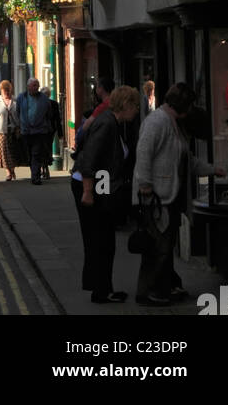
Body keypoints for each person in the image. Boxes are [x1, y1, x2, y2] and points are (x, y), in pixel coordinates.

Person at [132, 81, 225, 306]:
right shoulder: (158, 121)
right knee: (158, 248)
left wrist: (213, 170)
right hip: (157, 197)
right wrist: (144, 186)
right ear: (182, 104)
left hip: (168, 195)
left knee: (163, 246)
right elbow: (143, 152)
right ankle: (148, 292)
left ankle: (163, 287)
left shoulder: (173, 123)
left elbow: (187, 160)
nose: (192, 109)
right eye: (190, 105)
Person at [71, 84, 140, 303]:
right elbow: (90, 159)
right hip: (90, 185)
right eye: (135, 105)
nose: (137, 110)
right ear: (126, 105)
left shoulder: (113, 123)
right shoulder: (108, 124)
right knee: (99, 240)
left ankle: (103, 288)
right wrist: (89, 192)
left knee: (104, 239)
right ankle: (101, 291)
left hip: (100, 184)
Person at [17, 78, 51, 184]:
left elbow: (48, 113)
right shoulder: (21, 97)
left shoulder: (44, 98)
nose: (36, 88)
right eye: (34, 86)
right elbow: (18, 112)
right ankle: (34, 173)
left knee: (36, 153)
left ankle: (35, 177)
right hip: (26, 131)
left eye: (37, 86)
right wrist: (21, 125)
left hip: (39, 131)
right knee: (30, 155)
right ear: (28, 87)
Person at [0, 79, 19, 181]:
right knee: (4, 152)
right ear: (1, 91)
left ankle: (11, 169)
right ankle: (9, 172)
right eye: (5, 91)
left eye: (8, 91)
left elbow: (19, 115)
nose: (7, 93)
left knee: (12, 152)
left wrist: (19, 127)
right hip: (1, 131)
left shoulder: (16, 101)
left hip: (13, 130)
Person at [41, 88, 63, 181]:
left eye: (47, 94)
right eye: (44, 94)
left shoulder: (54, 104)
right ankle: (44, 168)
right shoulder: (39, 104)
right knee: (43, 149)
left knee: (47, 149)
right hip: (40, 130)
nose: (46, 96)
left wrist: (60, 133)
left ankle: (45, 167)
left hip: (50, 130)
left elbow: (58, 119)